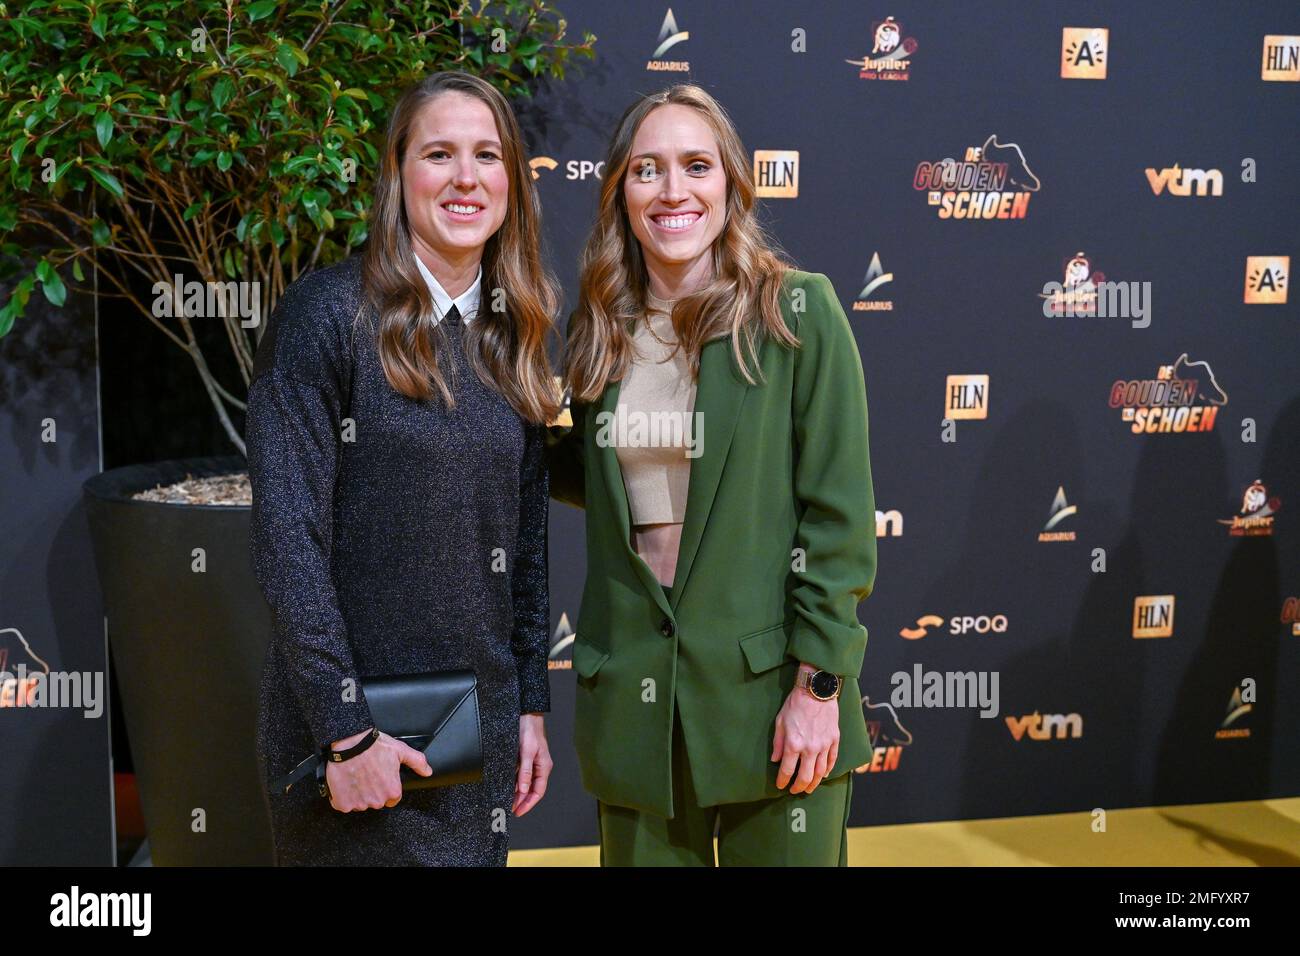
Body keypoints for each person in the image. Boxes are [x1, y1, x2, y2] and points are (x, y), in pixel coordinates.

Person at [547, 84, 878, 866]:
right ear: (619, 194)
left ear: (731, 182)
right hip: (635, 705)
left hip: (771, 706)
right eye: (646, 170)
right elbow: (594, 487)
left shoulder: (794, 313)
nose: (673, 191)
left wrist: (819, 688)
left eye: (696, 165)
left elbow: (838, 519)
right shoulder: (600, 330)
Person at [246, 71, 558, 865]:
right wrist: (347, 734)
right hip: (353, 754)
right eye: (439, 154)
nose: (466, 178)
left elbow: (522, 551)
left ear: (512, 181)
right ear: (397, 174)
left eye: (487, 155)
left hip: (473, 747)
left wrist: (527, 706)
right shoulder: (326, 317)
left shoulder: (509, 334)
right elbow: (290, 542)